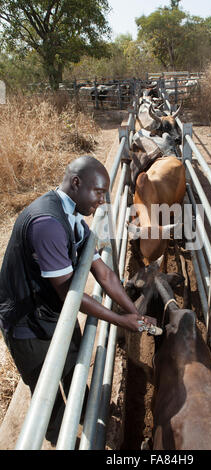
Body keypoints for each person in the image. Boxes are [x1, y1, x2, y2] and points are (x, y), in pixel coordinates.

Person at [0, 155, 155, 445]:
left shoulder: (71, 215)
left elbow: (105, 274)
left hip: (54, 312)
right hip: (27, 326)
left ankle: (86, 414)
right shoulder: (47, 223)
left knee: (73, 370)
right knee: (48, 396)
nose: (102, 201)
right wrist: (121, 320)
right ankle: (63, 438)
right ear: (76, 183)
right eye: (98, 193)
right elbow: (70, 294)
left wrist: (134, 311)